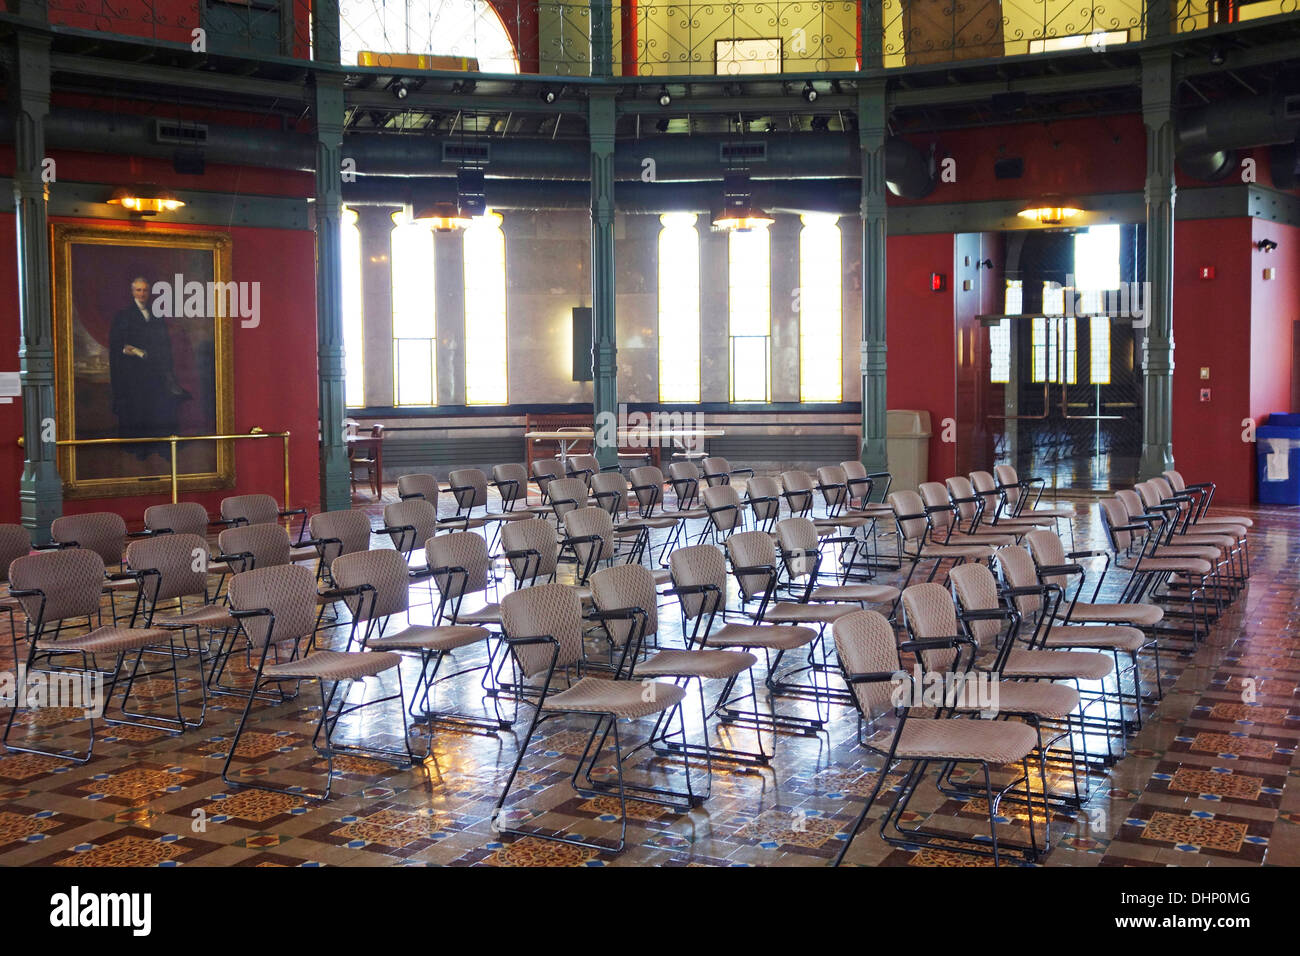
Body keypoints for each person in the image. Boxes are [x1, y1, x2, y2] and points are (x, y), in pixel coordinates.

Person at [108, 277, 190, 460]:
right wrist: (135, 351)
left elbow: (164, 345)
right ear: (132, 292)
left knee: (159, 407)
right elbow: (117, 345)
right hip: (134, 374)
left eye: (144, 290)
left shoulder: (156, 315)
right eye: (138, 290)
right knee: (138, 409)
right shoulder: (124, 315)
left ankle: (160, 446)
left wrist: (163, 365)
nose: (142, 294)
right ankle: (139, 448)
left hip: (155, 371)